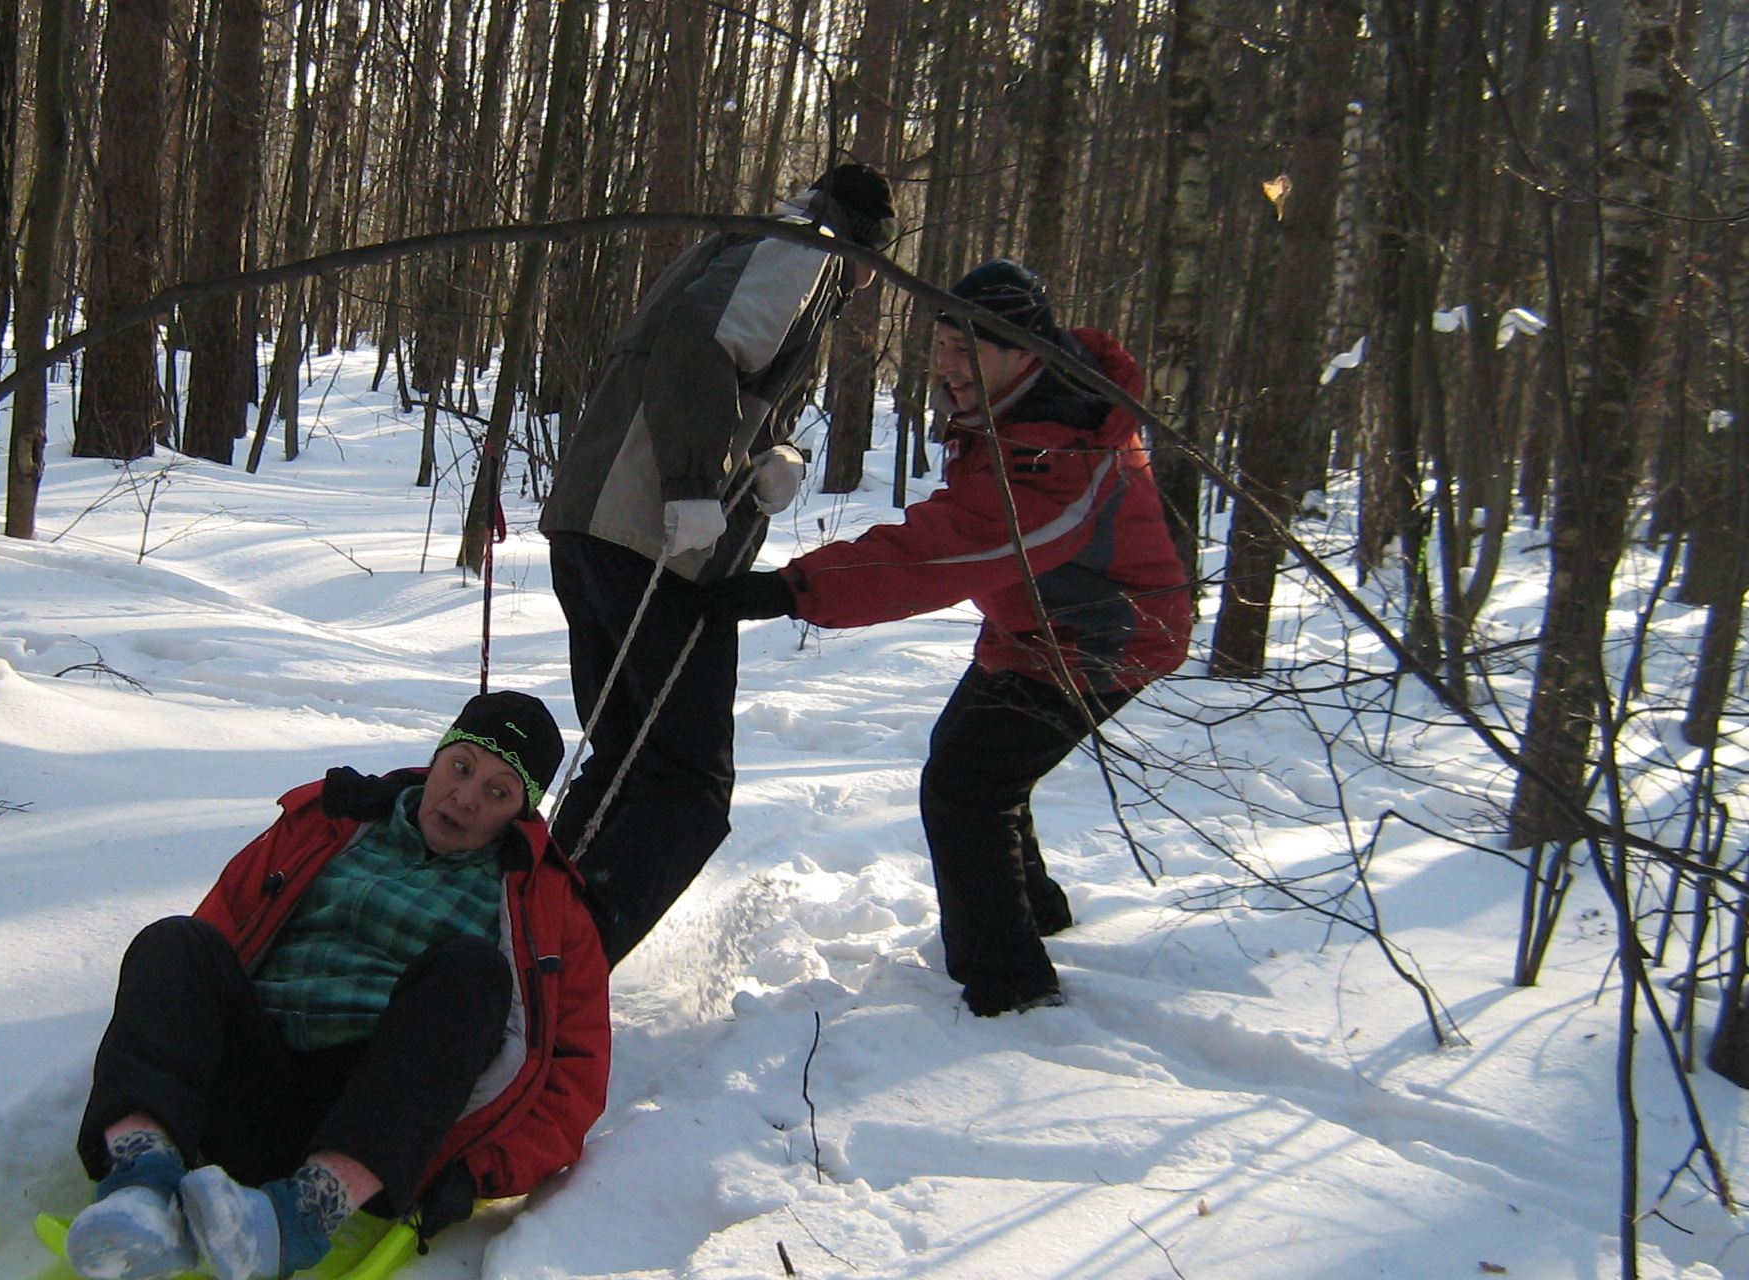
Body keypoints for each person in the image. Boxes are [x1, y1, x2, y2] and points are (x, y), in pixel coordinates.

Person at [710, 259, 1190, 1017]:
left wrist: (792, 589)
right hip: (1036, 624)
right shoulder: (1028, 405)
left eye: (969, 349)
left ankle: (1009, 983)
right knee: (975, 768)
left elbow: (945, 548)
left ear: (1025, 352)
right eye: (941, 345)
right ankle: (1035, 914)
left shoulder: (1061, 452)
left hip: (1107, 635)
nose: (948, 365)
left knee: (968, 788)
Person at [63, 691, 609, 1280]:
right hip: (248, 1074)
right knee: (178, 940)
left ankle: (301, 1216)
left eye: (498, 792)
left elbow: (574, 1074)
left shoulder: (545, 904)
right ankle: (142, 1184)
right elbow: (223, 930)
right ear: (437, 757)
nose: (466, 797)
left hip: (374, 1116)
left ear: (520, 814)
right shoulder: (330, 822)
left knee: (473, 972)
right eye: (461, 766)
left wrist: (475, 1172)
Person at [540, 162, 896, 967]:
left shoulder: (757, 241)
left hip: (596, 524)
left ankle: (515, 941)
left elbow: (712, 369)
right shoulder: (803, 249)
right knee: (687, 786)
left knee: (629, 761)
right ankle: (558, 974)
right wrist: (694, 484)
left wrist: (774, 452)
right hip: (650, 541)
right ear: (873, 245)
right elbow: (703, 346)